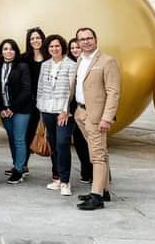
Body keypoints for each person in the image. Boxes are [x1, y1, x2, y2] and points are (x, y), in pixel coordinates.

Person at [71, 27, 120, 211]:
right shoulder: (80, 60)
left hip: (97, 117)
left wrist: (107, 118)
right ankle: (104, 189)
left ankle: (96, 196)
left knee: (97, 155)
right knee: (100, 152)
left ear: (96, 39)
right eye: (82, 39)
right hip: (81, 113)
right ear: (78, 42)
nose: (86, 41)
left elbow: (113, 92)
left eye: (89, 38)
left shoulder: (107, 61)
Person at [38, 34, 78, 196]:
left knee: (62, 143)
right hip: (47, 110)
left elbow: (72, 90)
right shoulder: (45, 65)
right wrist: (40, 109)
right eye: (51, 46)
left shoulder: (71, 65)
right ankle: (57, 178)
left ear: (62, 47)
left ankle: (66, 182)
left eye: (57, 46)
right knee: (53, 145)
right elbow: (40, 87)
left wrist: (66, 110)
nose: (54, 49)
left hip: (63, 112)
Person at [0, 39, 32, 184]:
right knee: (11, 138)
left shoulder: (22, 67)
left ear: (16, 51)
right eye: (5, 49)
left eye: (11, 49)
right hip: (4, 110)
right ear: (1, 52)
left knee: (19, 139)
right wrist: (1, 109)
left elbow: (26, 89)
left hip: (21, 109)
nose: (8, 52)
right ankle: (18, 165)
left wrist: (12, 108)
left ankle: (19, 169)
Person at [68, 36, 93, 184]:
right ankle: (86, 171)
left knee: (93, 144)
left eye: (77, 47)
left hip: (90, 110)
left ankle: (101, 174)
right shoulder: (72, 65)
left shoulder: (88, 63)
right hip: (75, 111)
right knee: (79, 142)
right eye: (72, 48)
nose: (75, 50)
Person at [23, 26, 47, 169]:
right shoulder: (24, 58)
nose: (35, 40)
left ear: (43, 39)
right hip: (30, 103)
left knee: (51, 136)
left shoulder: (50, 57)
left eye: (38, 37)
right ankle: (22, 164)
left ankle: (57, 173)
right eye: (32, 38)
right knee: (27, 134)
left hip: (48, 102)